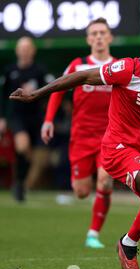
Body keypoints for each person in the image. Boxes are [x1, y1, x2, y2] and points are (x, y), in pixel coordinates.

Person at [9, 26, 140, 269]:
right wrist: (36, 94)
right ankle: (128, 243)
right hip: (119, 148)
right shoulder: (129, 68)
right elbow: (82, 76)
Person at [40, 18, 116, 249]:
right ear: (88, 39)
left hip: (109, 136)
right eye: (94, 33)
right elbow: (57, 90)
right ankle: (90, 197)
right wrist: (48, 120)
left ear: (110, 37)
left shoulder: (119, 67)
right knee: (81, 192)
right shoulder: (78, 65)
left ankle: (93, 233)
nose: (99, 37)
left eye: (103, 32)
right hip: (81, 136)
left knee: (104, 180)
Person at [0, 37, 52, 202]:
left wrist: (49, 116)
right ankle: (19, 182)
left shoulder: (40, 71)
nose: (24, 51)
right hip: (17, 116)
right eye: (21, 48)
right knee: (22, 147)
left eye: (27, 48)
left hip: (36, 118)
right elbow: (2, 96)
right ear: (17, 50)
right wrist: (2, 118)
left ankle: (21, 183)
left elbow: (51, 93)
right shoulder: (10, 71)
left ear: (33, 50)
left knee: (36, 156)